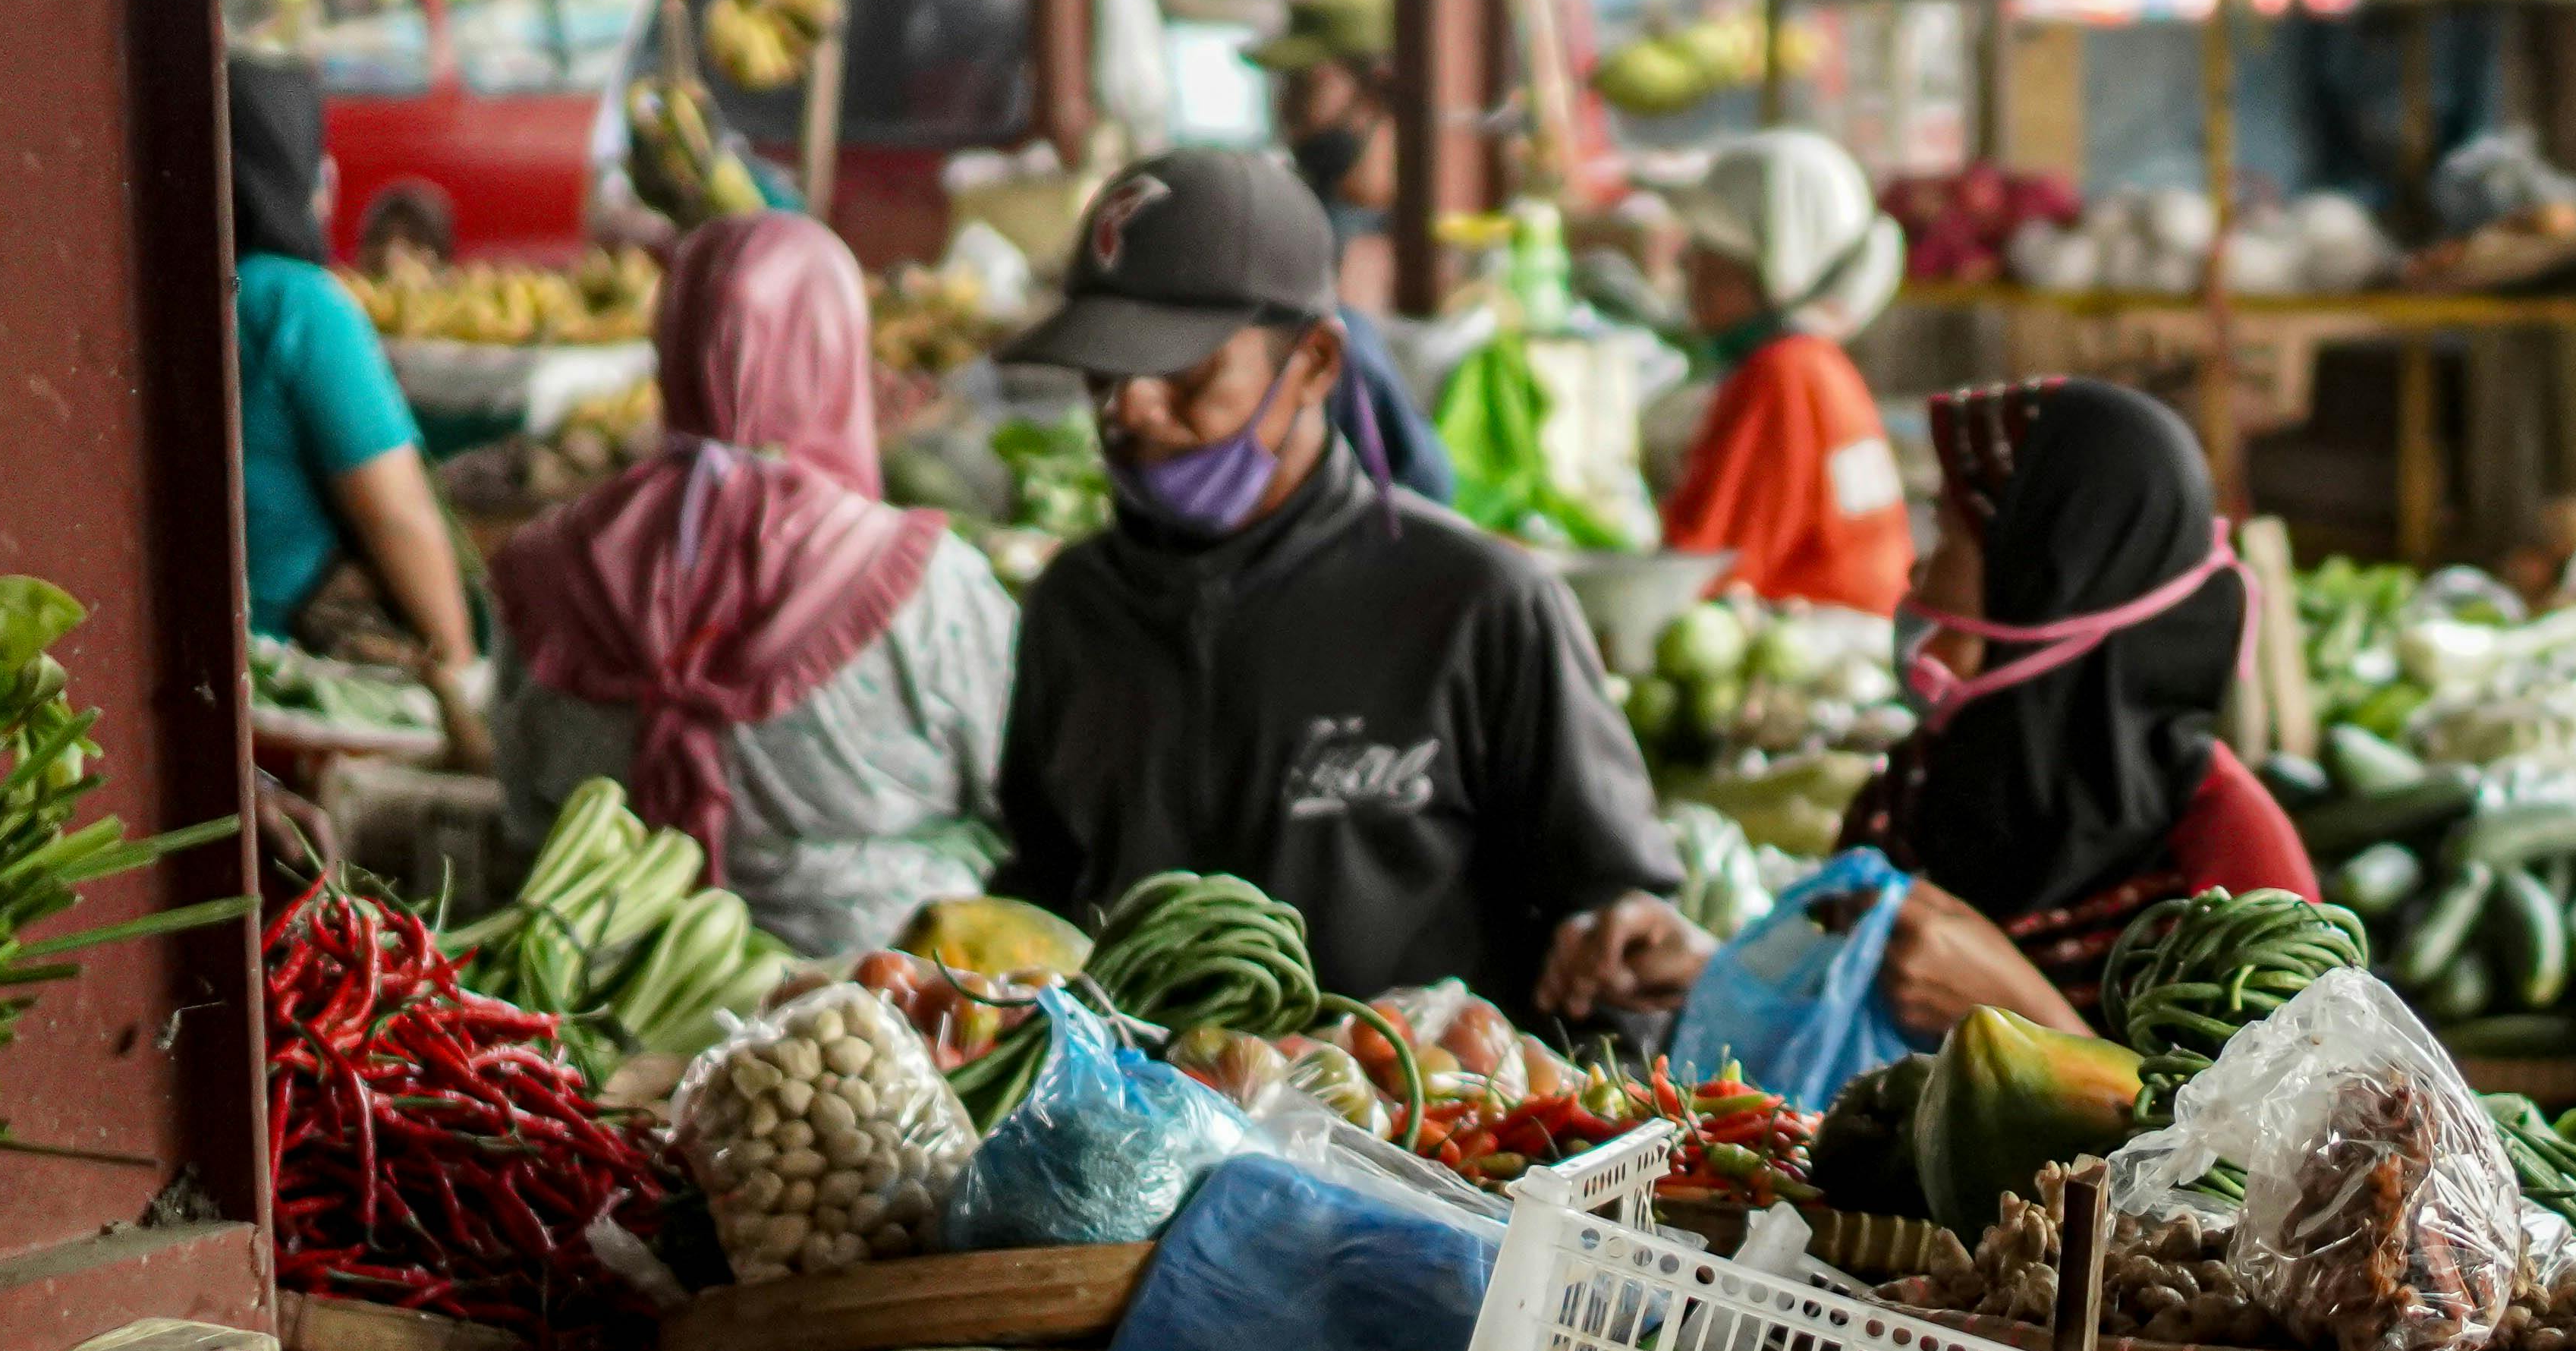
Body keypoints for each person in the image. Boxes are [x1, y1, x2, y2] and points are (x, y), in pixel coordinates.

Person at [986, 148, 1697, 1021]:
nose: (1128, 411)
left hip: (1415, 1139)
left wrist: (1626, 942)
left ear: (1316, 362)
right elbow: (1039, 890)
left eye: (1182, 372)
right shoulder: (1075, 607)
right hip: (1135, 1137)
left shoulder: (1475, 604)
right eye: (1103, 372)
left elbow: (1618, 918)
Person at [492, 213, 1016, 956]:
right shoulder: (932, 587)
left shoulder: (541, 566)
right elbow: (1015, 796)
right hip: (878, 1012)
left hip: (592, 988)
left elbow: (520, 808)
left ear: (667, 344)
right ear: (837, 353)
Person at [1833, 377, 2313, 1038]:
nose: (1919, 577)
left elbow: (2299, 1124)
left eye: (1947, 534)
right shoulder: (1906, 797)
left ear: (2047, 574)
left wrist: (2030, 1023)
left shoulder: (2224, 850)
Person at [230, 56, 492, 765]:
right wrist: (463, 668)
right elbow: (397, 514)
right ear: (303, 171)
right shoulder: (300, 303)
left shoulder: (198, 286)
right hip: (300, 669)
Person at [1659, 131, 1911, 614]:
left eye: (1710, 246)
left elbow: (1702, 569)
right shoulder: (1812, 362)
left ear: (1769, 269)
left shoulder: (1779, 375)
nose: (1686, 262)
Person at [1241, 0, 1449, 502]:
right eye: (1282, 87)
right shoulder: (1299, 211)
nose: (1286, 110)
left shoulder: (1441, 219)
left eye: (1306, 85)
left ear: (1376, 89)